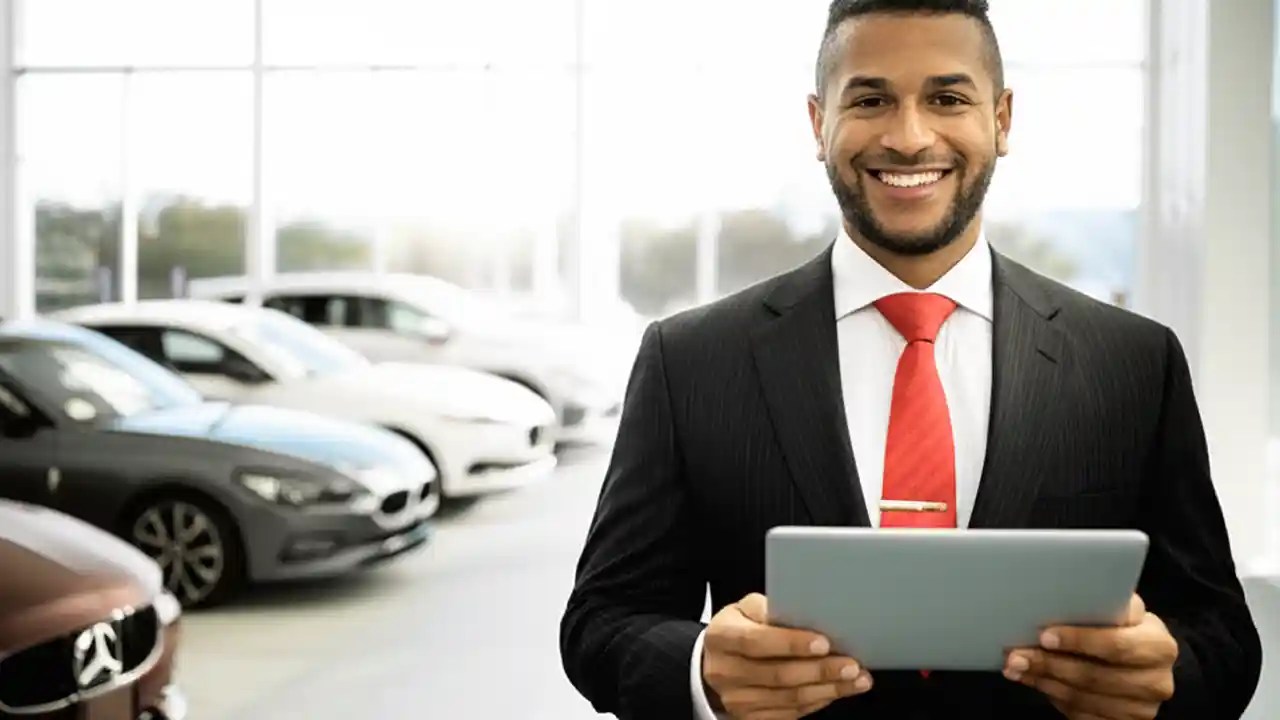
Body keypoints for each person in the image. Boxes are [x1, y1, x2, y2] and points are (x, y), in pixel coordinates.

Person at [559, 0, 1263, 718]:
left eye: (948, 98)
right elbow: (604, 622)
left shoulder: (1132, 363)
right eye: (870, 99)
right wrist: (703, 669)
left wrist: (1167, 679)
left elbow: (1222, 636)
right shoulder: (692, 361)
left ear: (1002, 119)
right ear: (818, 123)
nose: (908, 136)